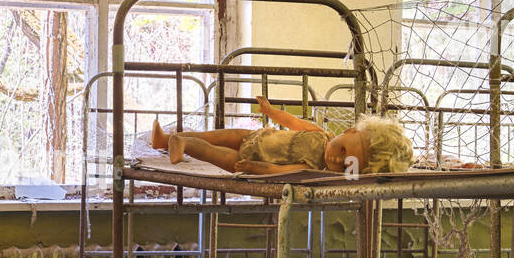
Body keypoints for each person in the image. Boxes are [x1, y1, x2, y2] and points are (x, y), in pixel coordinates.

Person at [151, 96, 413, 176]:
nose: (336, 158)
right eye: (343, 150)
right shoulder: (320, 133)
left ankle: (183, 144)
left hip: (248, 157)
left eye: (345, 167)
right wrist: (271, 111)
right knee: (217, 135)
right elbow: (292, 122)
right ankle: (167, 139)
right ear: (348, 132)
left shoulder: (315, 167)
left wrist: (254, 167)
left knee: (214, 152)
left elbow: (283, 171)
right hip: (256, 136)